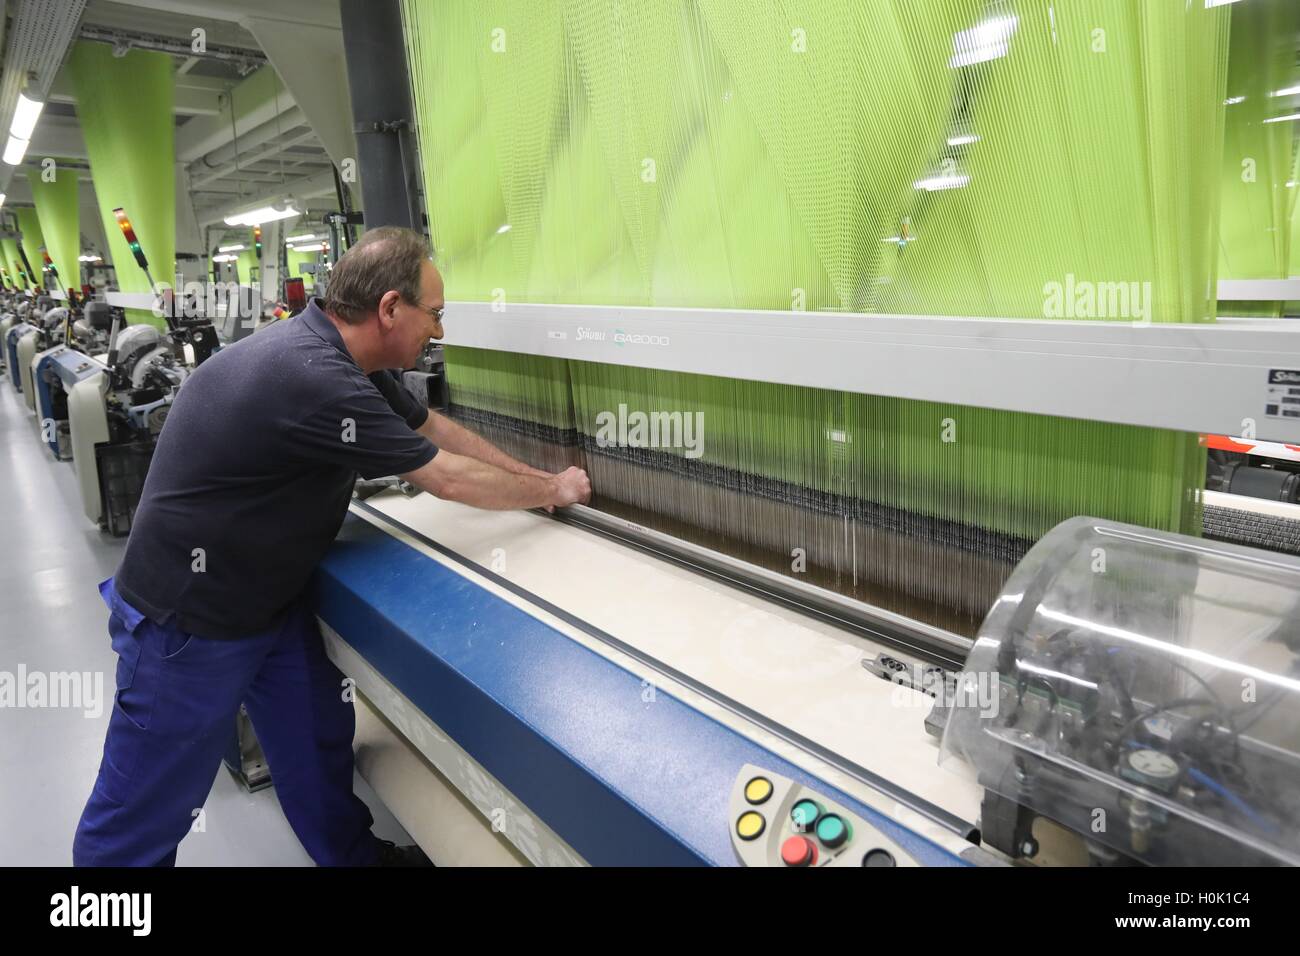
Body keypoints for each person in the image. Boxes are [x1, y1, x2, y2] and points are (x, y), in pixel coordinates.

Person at [73, 226, 591, 866]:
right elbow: (444, 476)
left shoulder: (346, 359)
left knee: (313, 741)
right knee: (141, 811)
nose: (440, 331)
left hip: (268, 601)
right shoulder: (314, 375)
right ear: (390, 308)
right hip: (190, 621)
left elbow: (432, 430)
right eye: (435, 314)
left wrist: (541, 486)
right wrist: (555, 490)